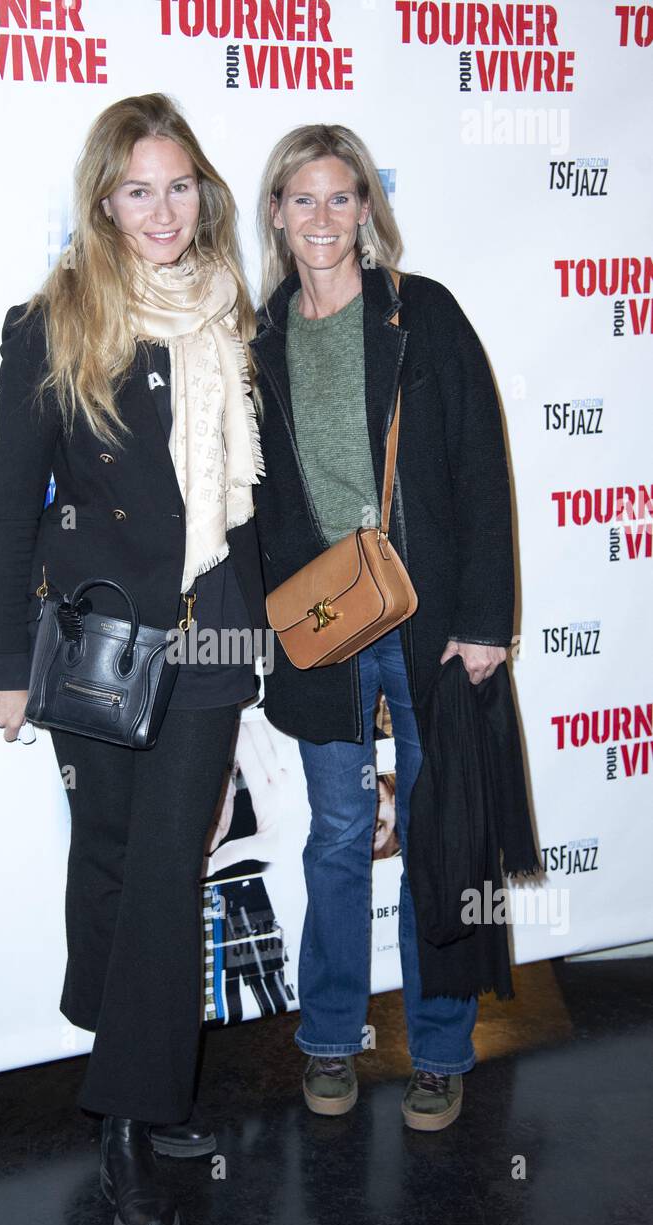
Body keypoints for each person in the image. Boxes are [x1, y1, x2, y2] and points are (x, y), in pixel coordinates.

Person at [0, 93, 265, 1225]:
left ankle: (130, 1107)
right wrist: (4, 655)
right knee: (106, 862)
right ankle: (131, 1083)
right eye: (137, 187)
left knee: (161, 872)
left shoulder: (230, 314)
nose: (160, 208)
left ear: (203, 193)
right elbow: (10, 505)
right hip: (99, 638)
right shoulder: (50, 323)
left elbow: (257, 496)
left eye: (179, 184)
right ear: (104, 197)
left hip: (212, 635)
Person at [251, 123, 516, 1131]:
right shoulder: (255, 340)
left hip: (429, 621)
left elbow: (476, 469)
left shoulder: (424, 316)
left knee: (438, 838)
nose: (321, 219)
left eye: (340, 198)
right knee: (335, 836)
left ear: (367, 207)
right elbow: (250, 502)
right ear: (274, 213)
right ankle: (327, 1038)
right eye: (301, 199)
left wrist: (483, 621)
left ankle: (439, 1049)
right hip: (322, 626)